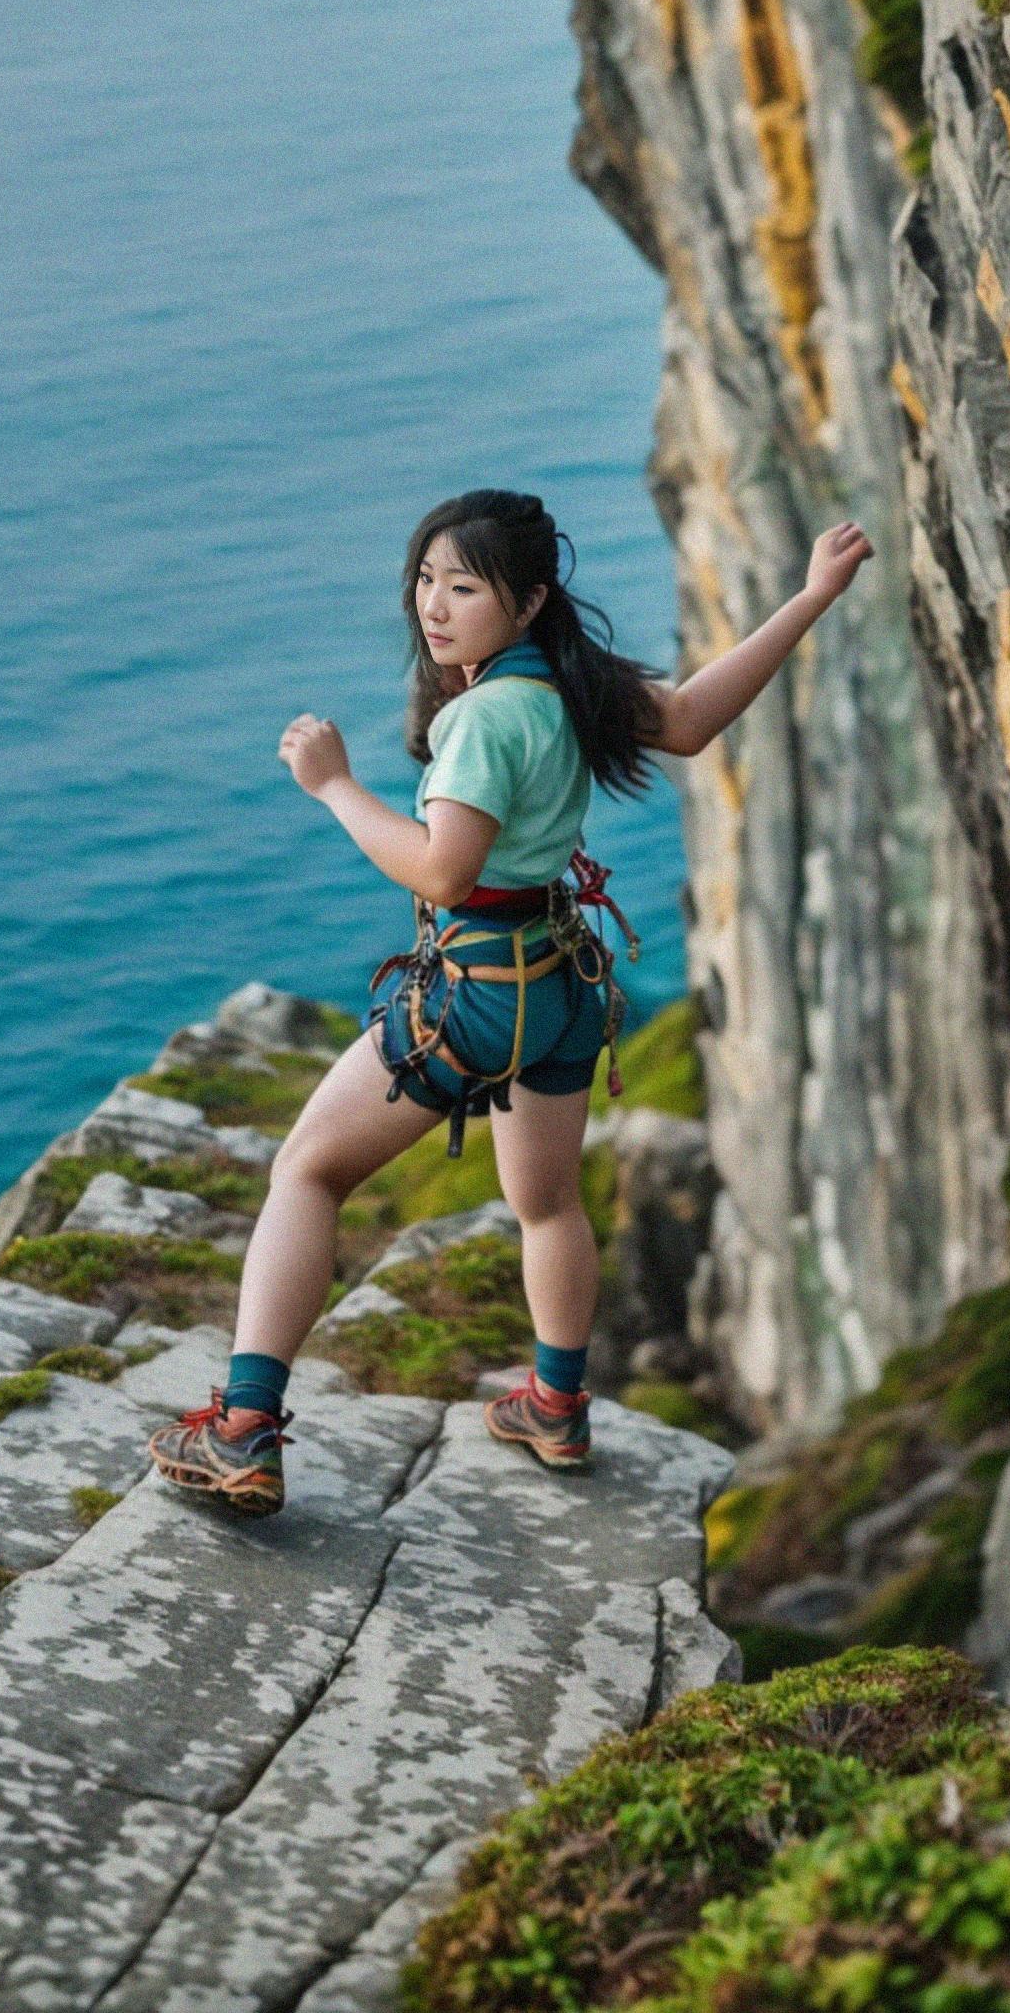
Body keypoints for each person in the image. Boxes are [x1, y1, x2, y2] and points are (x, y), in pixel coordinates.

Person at [149, 486, 873, 1515]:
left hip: (474, 996)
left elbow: (443, 875)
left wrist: (332, 787)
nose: (432, 606)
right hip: (562, 988)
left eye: (462, 587)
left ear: (526, 602)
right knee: (545, 1202)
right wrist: (810, 597)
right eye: (424, 580)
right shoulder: (570, 682)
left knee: (305, 1171)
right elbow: (692, 718)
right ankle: (554, 1405)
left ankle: (241, 1430)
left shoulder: (485, 718)